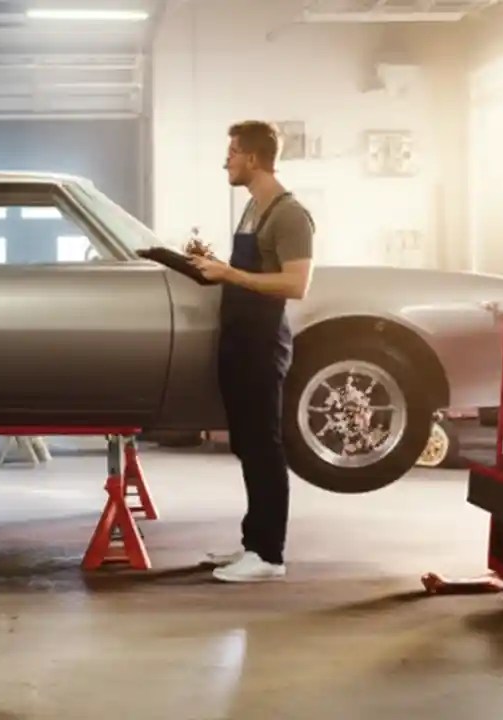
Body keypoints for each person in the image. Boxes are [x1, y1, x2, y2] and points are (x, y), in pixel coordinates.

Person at [188, 120, 315, 583]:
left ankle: (268, 555)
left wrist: (230, 275)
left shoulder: (289, 214)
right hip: (239, 340)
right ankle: (251, 544)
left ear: (255, 159)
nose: (228, 161)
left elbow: (296, 284)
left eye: (233, 153)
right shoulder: (251, 210)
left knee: (264, 446)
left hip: (262, 344)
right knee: (247, 445)